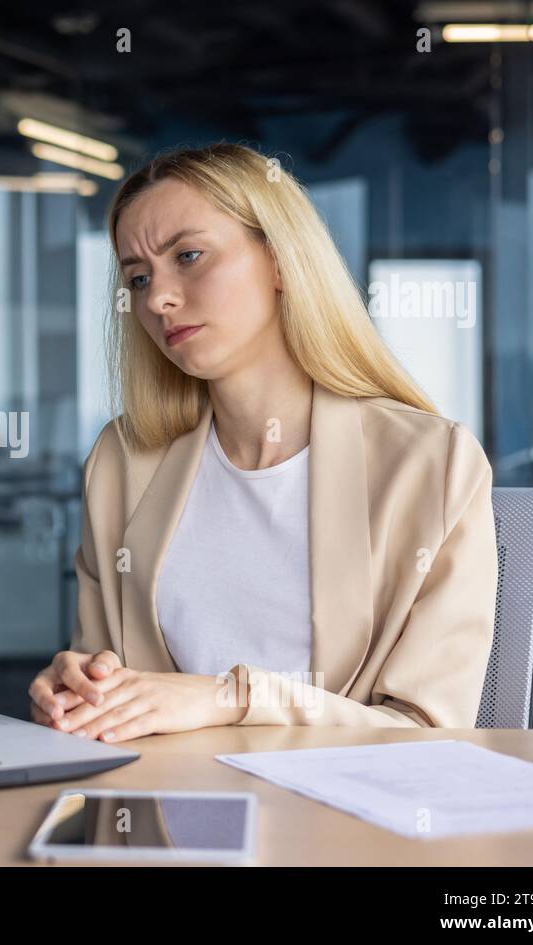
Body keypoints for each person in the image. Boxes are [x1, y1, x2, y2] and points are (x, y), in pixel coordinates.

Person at [29, 143, 497, 741]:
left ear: (280, 261)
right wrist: (78, 690)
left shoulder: (433, 463)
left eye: (189, 256)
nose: (156, 298)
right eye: (138, 277)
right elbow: (107, 680)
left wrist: (232, 697)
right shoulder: (121, 463)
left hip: (346, 821)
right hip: (163, 813)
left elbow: (428, 730)